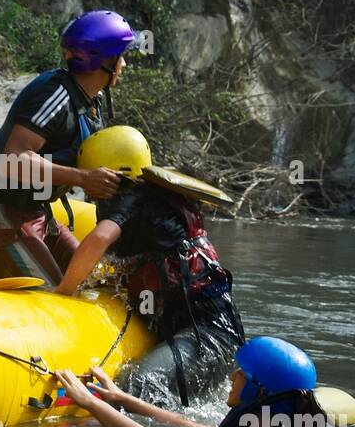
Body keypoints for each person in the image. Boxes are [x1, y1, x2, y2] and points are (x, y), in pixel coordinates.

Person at [55, 125, 245, 406]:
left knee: (135, 386)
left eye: (91, 178)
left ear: (111, 174)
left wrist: (64, 291)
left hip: (207, 338)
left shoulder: (135, 198)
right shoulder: (156, 201)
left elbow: (99, 238)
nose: (87, 189)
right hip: (211, 338)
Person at [0, 10, 135, 287]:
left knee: (89, 281)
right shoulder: (56, 95)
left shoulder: (91, 103)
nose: (124, 64)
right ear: (103, 60)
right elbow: (12, 160)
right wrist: (82, 178)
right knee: (55, 296)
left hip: (36, 212)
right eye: (121, 56)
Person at [53, 337, 334, 427]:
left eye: (242, 374)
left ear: (259, 390)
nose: (232, 376)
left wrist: (90, 403)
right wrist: (123, 399)